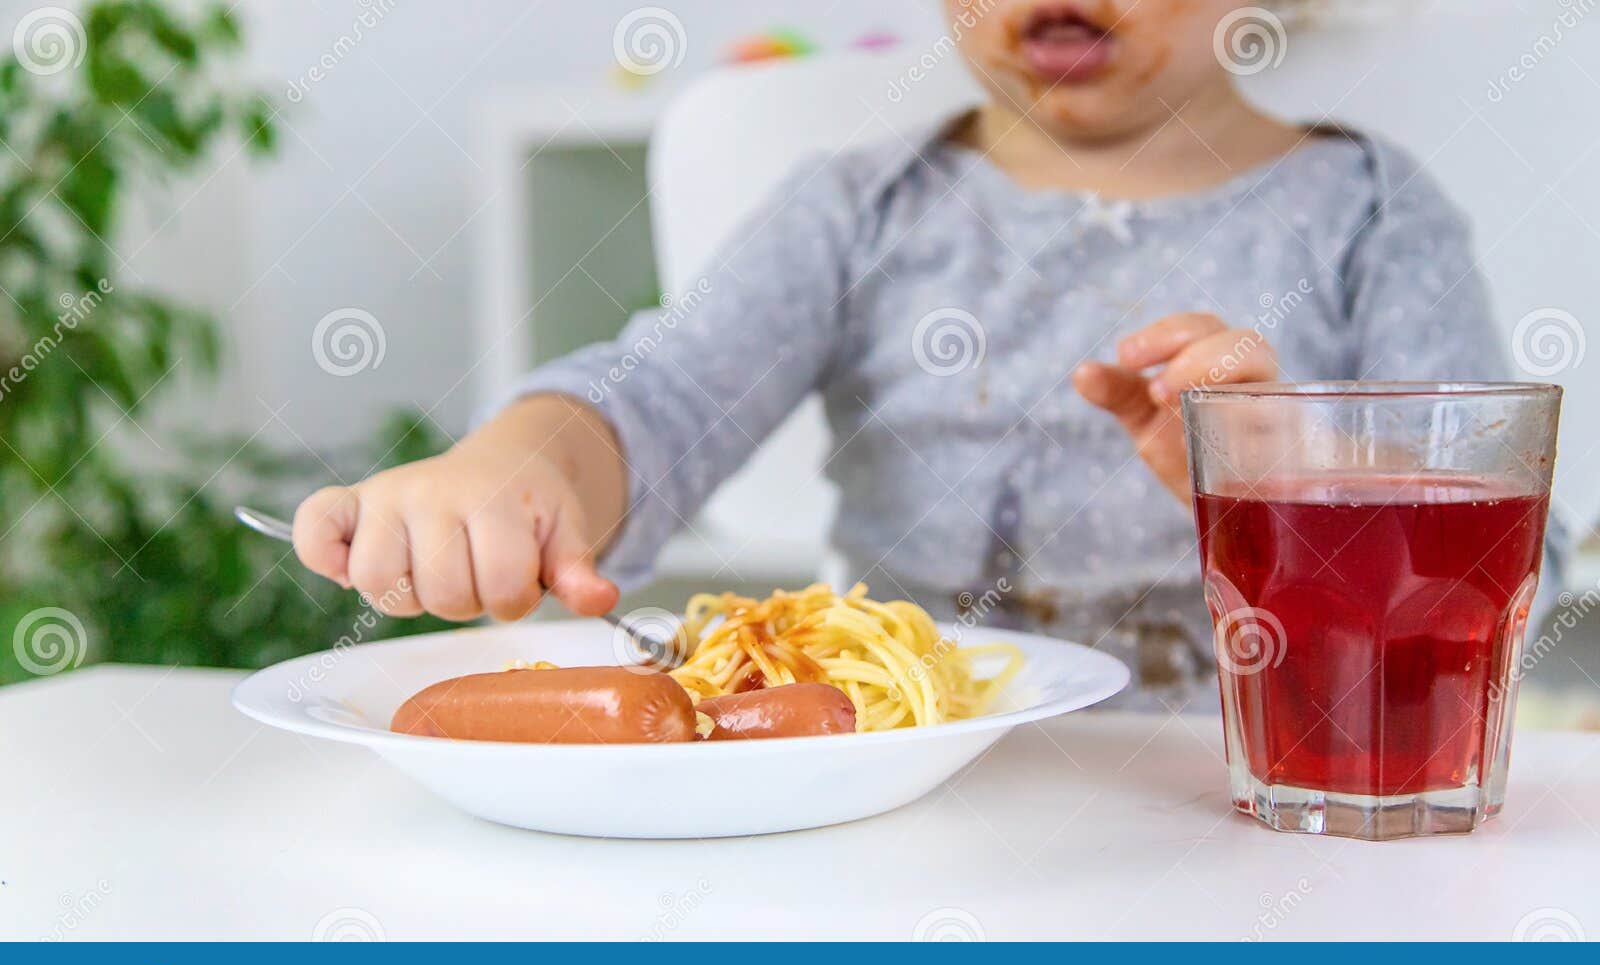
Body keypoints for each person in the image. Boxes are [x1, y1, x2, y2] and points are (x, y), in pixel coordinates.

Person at [293, 1, 1552, 708]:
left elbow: (1507, 581)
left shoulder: (1369, 211)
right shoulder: (859, 210)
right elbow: (661, 395)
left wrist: (1282, 480)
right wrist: (521, 466)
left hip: (1263, 794)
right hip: (912, 772)